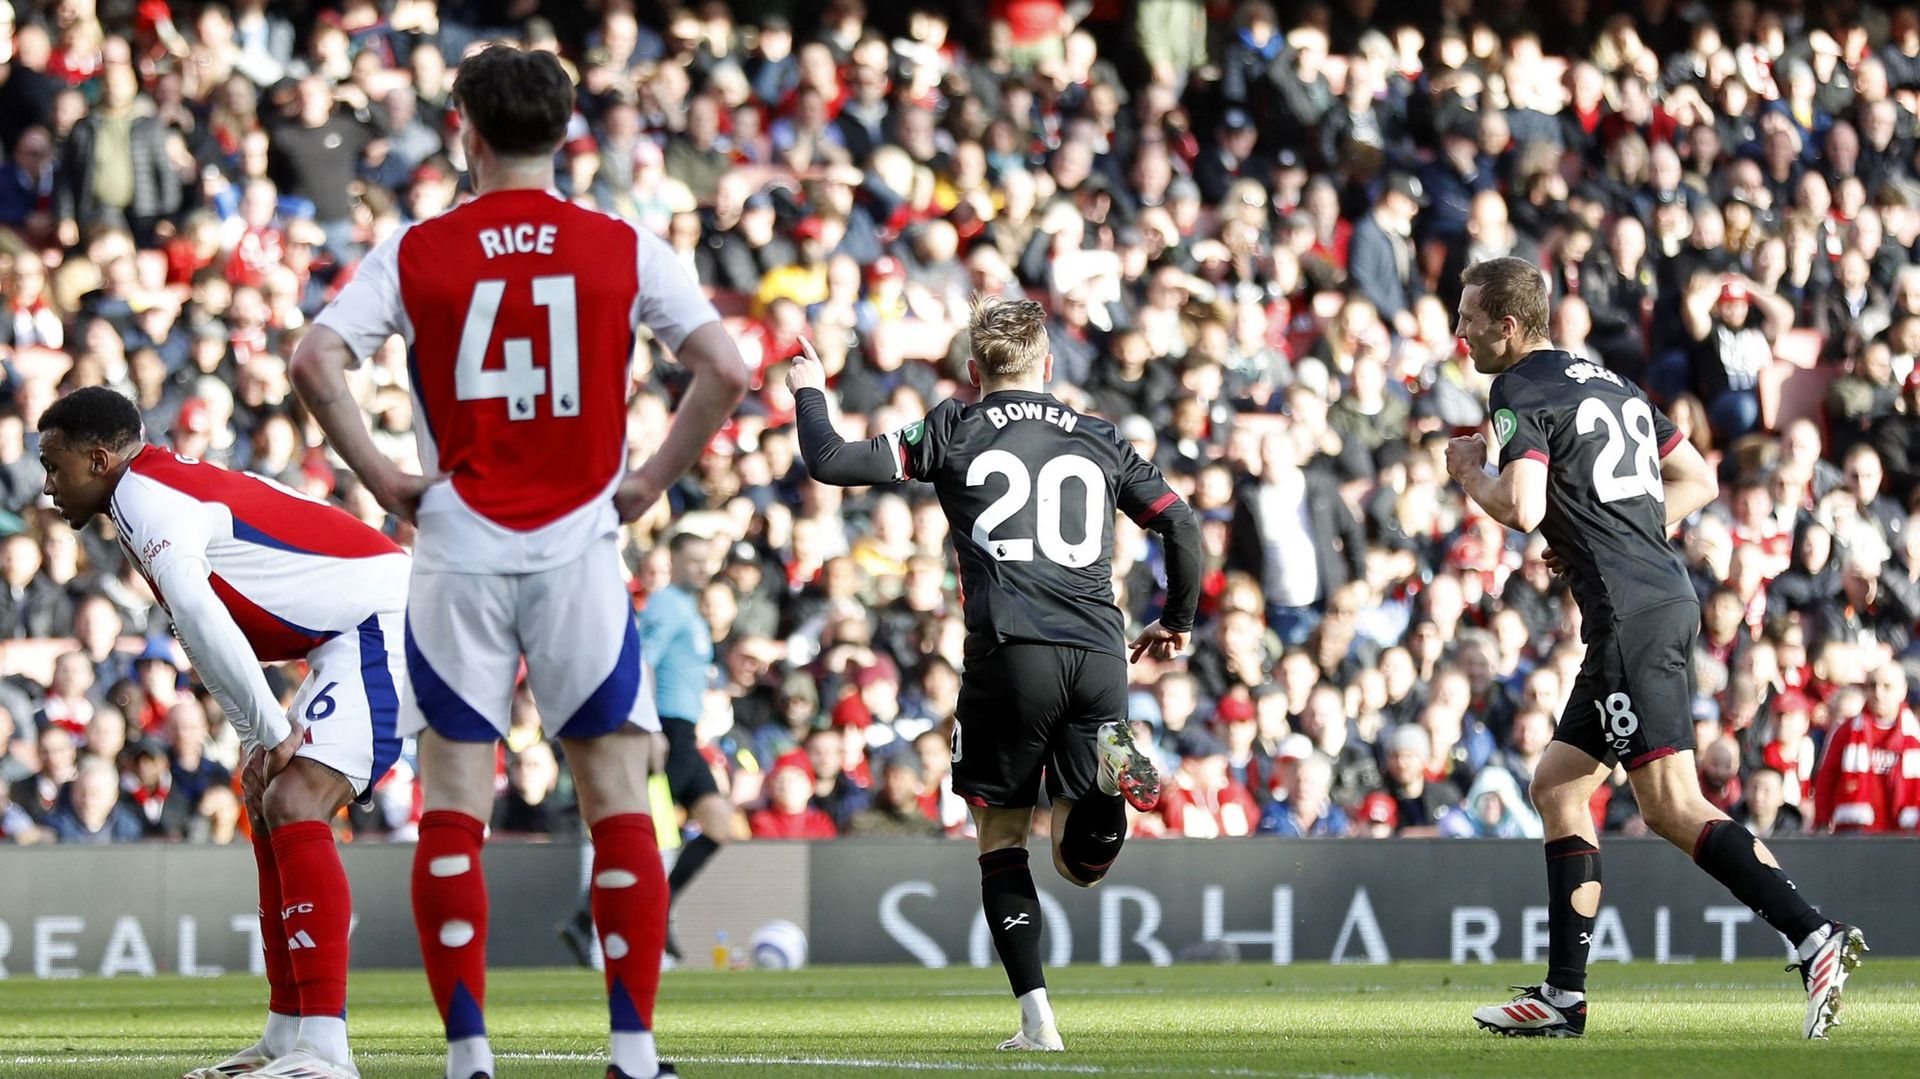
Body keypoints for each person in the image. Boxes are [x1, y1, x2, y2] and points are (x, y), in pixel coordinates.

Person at [290, 44, 748, 1079]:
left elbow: (314, 356)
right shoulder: (621, 243)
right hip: (579, 541)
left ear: (467, 128)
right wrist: (649, 482)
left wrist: (382, 476)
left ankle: (469, 1056)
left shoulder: (418, 247)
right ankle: (632, 1051)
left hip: (458, 536)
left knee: (456, 792)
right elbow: (726, 366)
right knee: (616, 789)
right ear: (567, 128)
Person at [1445, 256, 1863, 1041]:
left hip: (1633, 614)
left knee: (1671, 804)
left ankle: (1814, 935)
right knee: (1560, 785)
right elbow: (1695, 478)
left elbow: (1523, 504)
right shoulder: (1607, 382)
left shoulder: (1517, 390)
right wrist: (1613, 531)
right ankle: (1563, 996)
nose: (1458, 330)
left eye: (1469, 316)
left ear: (1508, 323)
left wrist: (1472, 472)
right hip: (1651, 600)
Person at [789, 295, 1202, 1051]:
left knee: (1001, 836)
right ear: (1049, 368)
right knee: (1080, 866)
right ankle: (1110, 780)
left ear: (974, 371)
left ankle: (1037, 1018)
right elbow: (1180, 521)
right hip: (1102, 655)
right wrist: (1176, 619)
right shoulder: (1100, 434)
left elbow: (831, 461)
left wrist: (809, 389)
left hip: (1011, 652)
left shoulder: (955, 424)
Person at [37, 386, 410, 1079]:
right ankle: (287, 1034)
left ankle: (325, 1051)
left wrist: (270, 728)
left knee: (295, 799)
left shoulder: (148, 500)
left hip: (388, 616)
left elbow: (204, 620)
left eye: (54, 467)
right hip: (343, 631)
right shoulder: (147, 490)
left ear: (96, 457)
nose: (47, 485)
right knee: (270, 801)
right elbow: (208, 630)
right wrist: (255, 734)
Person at [562, 530, 733, 967]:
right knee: (636, 828)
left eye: (705, 560)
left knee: (718, 823)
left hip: (686, 732)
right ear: (672, 562)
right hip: (666, 730)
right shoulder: (666, 605)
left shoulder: (690, 612)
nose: (700, 567)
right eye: (692, 559)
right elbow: (643, 662)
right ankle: (589, 918)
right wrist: (650, 727)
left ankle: (649, 914)